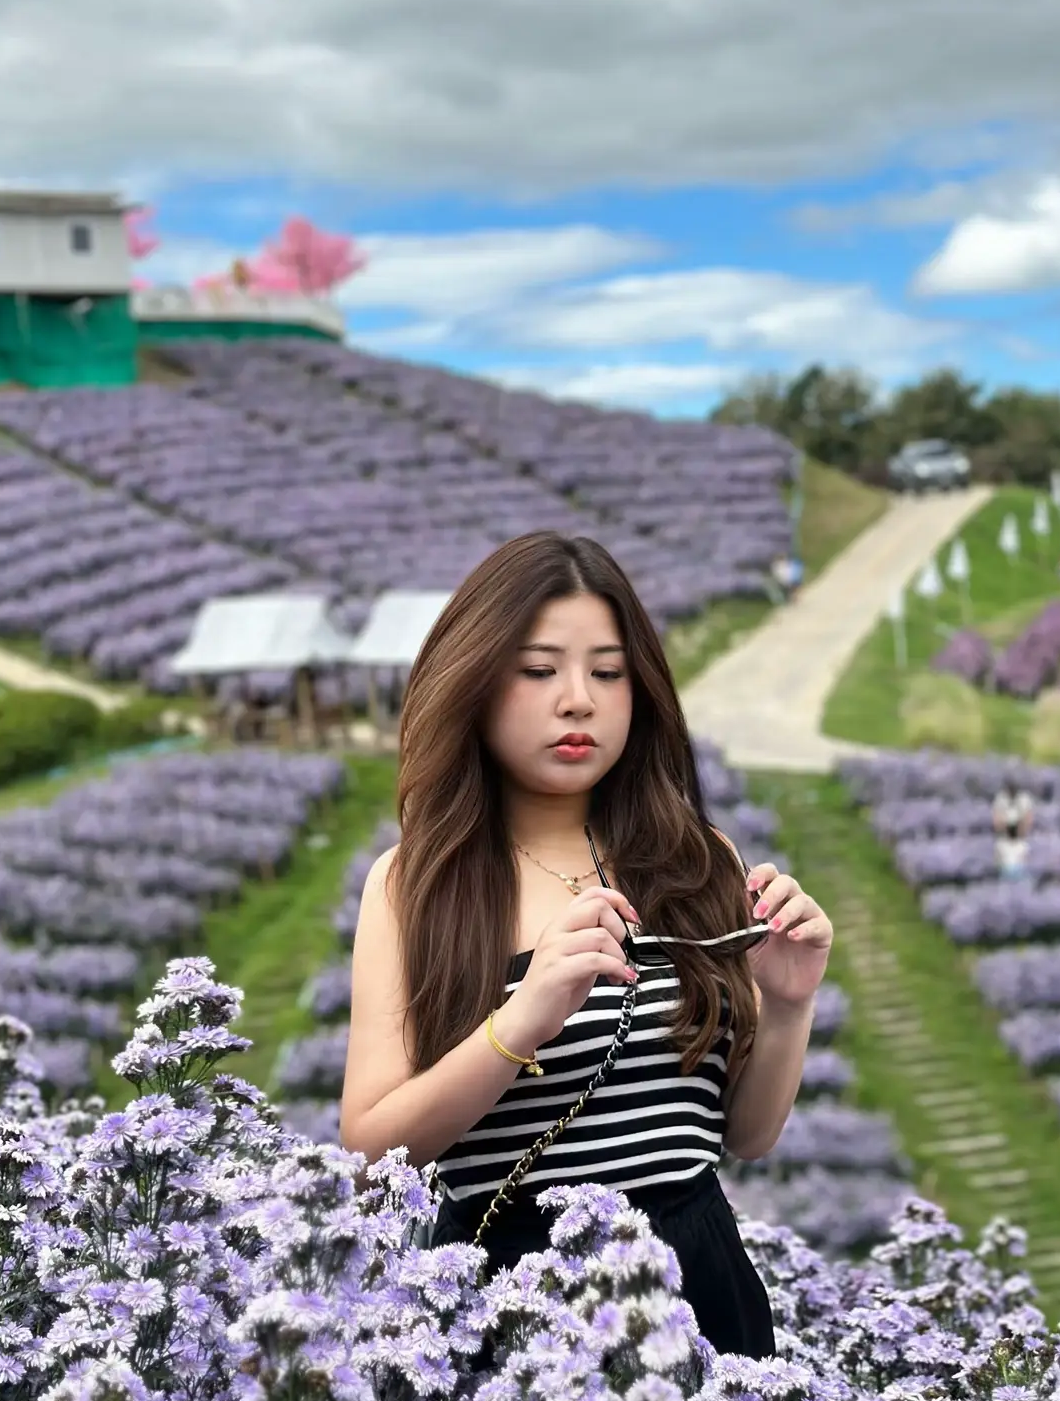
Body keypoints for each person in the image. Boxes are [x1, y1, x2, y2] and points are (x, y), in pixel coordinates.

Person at [341, 530, 832, 1359]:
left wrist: (787, 1006)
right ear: (475, 681)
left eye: (608, 672)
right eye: (539, 672)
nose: (579, 700)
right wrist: (520, 1022)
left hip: (700, 1279)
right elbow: (369, 1146)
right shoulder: (416, 884)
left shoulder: (697, 860)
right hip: (517, 1297)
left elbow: (740, 1137)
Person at [991, 779, 1035, 879]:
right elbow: (997, 820)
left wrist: (1021, 827)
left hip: (1019, 838)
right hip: (1005, 838)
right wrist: (1005, 826)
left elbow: (1028, 818)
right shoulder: (1001, 799)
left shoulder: (1024, 799)